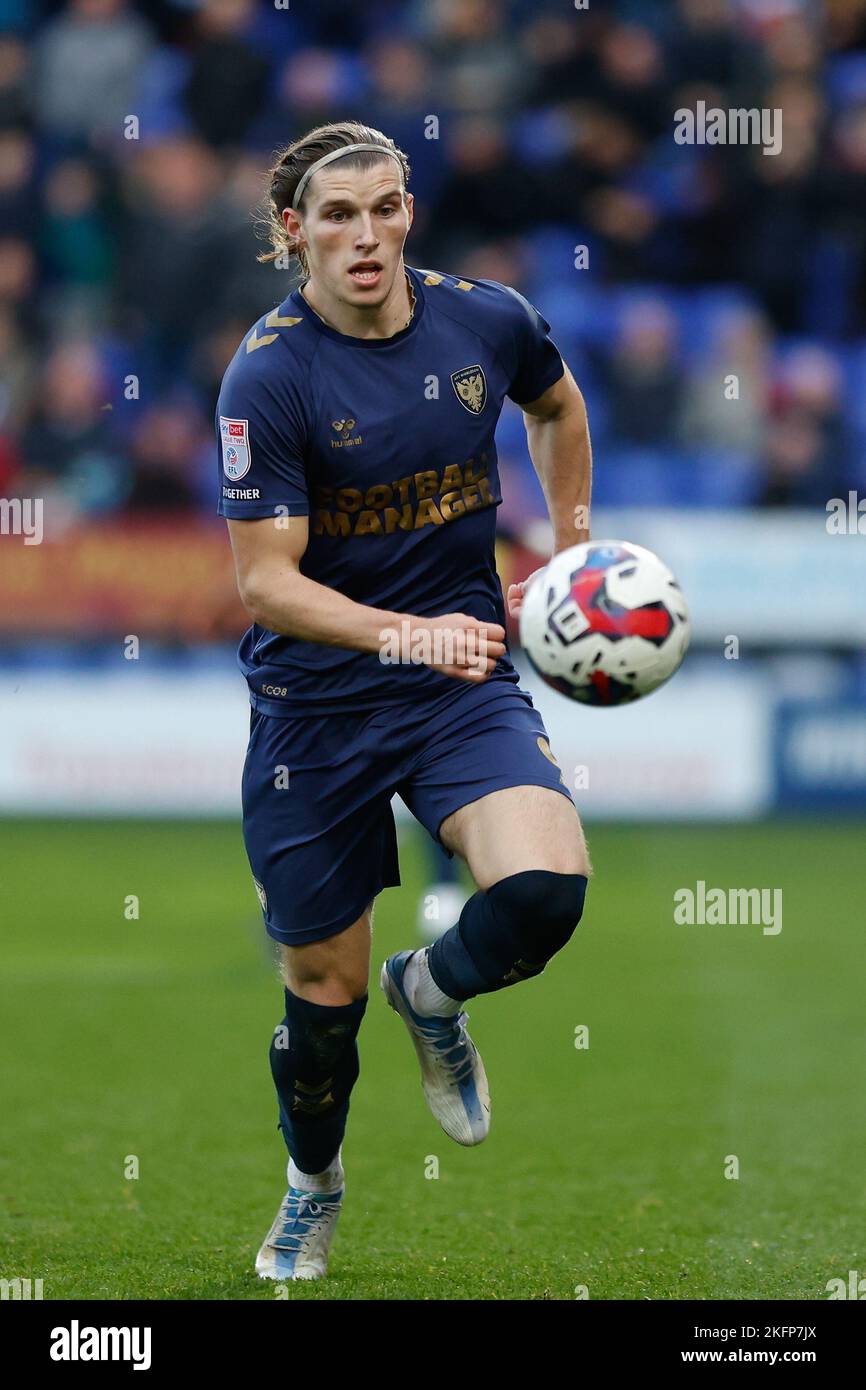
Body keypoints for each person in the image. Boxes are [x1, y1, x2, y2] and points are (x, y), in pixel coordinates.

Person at [217, 121, 593, 1281]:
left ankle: (429, 996)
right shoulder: (269, 373)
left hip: (456, 683)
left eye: (383, 207)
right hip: (316, 707)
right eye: (336, 215)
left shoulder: (486, 318)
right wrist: (403, 630)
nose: (364, 235)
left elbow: (557, 408)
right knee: (319, 1007)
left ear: (408, 210)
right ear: (295, 232)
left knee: (544, 892)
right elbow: (264, 583)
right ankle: (310, 1185)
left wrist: (572, 555)